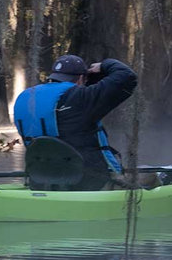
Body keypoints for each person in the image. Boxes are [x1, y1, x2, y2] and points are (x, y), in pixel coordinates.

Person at [13, 54, 138, 190]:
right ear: (80, 79)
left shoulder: (24, 98)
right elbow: (127, 76)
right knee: (151, 179)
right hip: (89, 184)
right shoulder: (81, 99)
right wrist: (104, 65)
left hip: (41, 182)